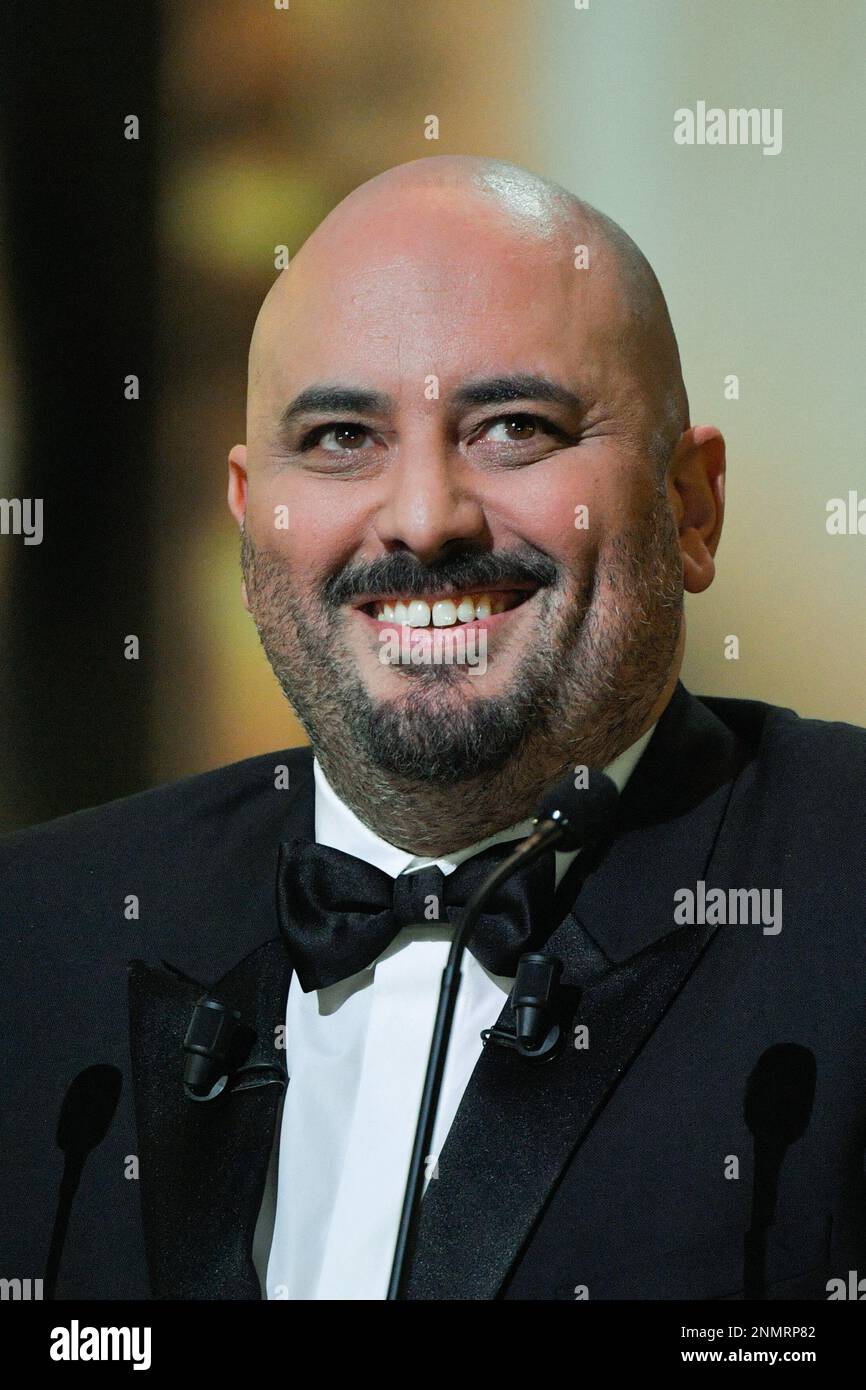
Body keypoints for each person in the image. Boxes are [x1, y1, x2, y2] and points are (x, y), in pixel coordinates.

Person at [2, 156, 864, 1302]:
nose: (422, 518)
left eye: (512, 426)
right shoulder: (33, 936)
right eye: (341, 438)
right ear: (251, 512)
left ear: (689, 508)